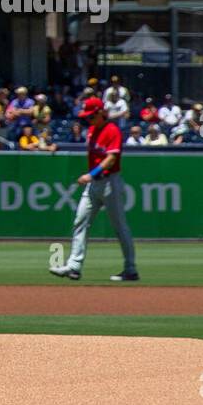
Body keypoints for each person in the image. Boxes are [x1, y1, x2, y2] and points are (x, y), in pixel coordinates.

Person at [48, 97, 138, 282]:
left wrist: (92, 174)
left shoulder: (112, 130)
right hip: (94, 184)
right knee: (80, 221)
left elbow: (111, 159)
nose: (88, 120)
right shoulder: (91, 130)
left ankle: (130, 269)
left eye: (91, 116)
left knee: (119, 227)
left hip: (109, 182)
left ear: (100, 113)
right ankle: (74, 267)